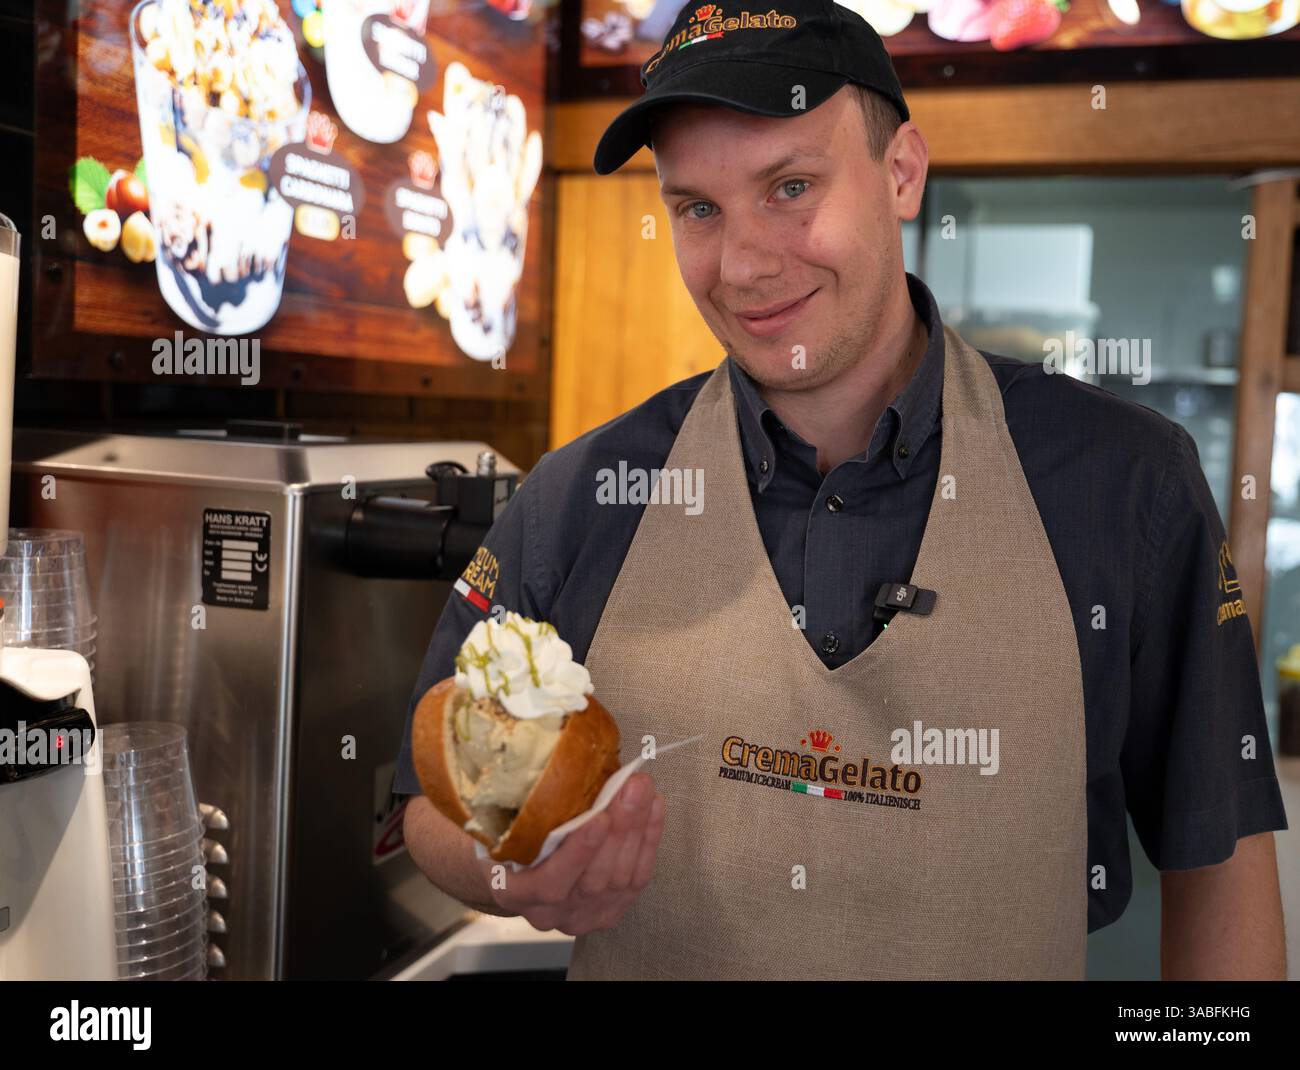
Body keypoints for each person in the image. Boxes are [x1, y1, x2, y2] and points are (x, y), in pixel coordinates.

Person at [396, 0, 1288, 979]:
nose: (741, 264)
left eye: (789, 186)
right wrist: (505, 865)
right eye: (697, 207)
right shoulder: (582, 494)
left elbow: (1221, 855)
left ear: (902, 172)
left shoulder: (1123, 485)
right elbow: (430, 799)